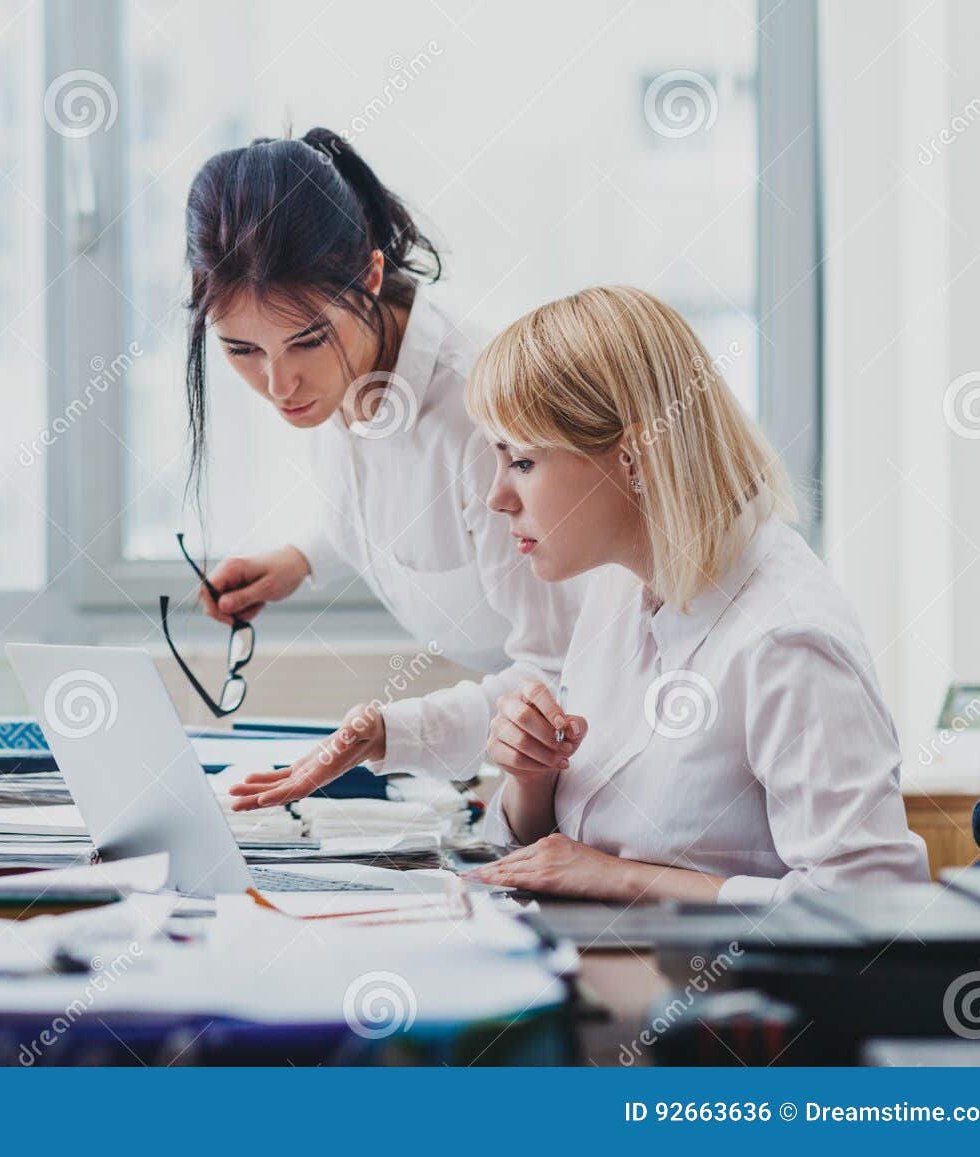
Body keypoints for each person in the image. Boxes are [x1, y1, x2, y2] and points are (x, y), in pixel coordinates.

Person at [436, 285, 925, 903]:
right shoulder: (619, 587)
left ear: (634, 457)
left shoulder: (786, 639)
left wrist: (625, 878)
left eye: (523, 462)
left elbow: (874, 905)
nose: (496, 498)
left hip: (715, 968)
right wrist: (531, 779)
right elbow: (552, 859)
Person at [182, 127, 580, 782]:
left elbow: (565, 670)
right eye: (241, 350)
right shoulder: (342, 374)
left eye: (307, 340)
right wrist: (298, 562)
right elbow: (404, 508)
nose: (279, 385)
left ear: (369, 277)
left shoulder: (480, 421)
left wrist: (389, 733)